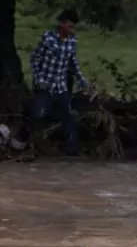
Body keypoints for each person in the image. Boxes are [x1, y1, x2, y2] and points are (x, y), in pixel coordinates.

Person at [22, 9, 88, 157]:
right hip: (45, 84)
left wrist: (80, 79)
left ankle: (72, 151)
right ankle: (25, 143)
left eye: (74, 27)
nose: (72, 30)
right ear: (62, 24)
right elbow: (34, 59)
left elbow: (72, 62)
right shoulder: (48, 38)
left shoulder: (72, 41)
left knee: (69, 117)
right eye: (70, 26)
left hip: (61, 86)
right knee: (38, 114)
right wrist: (39, 78)